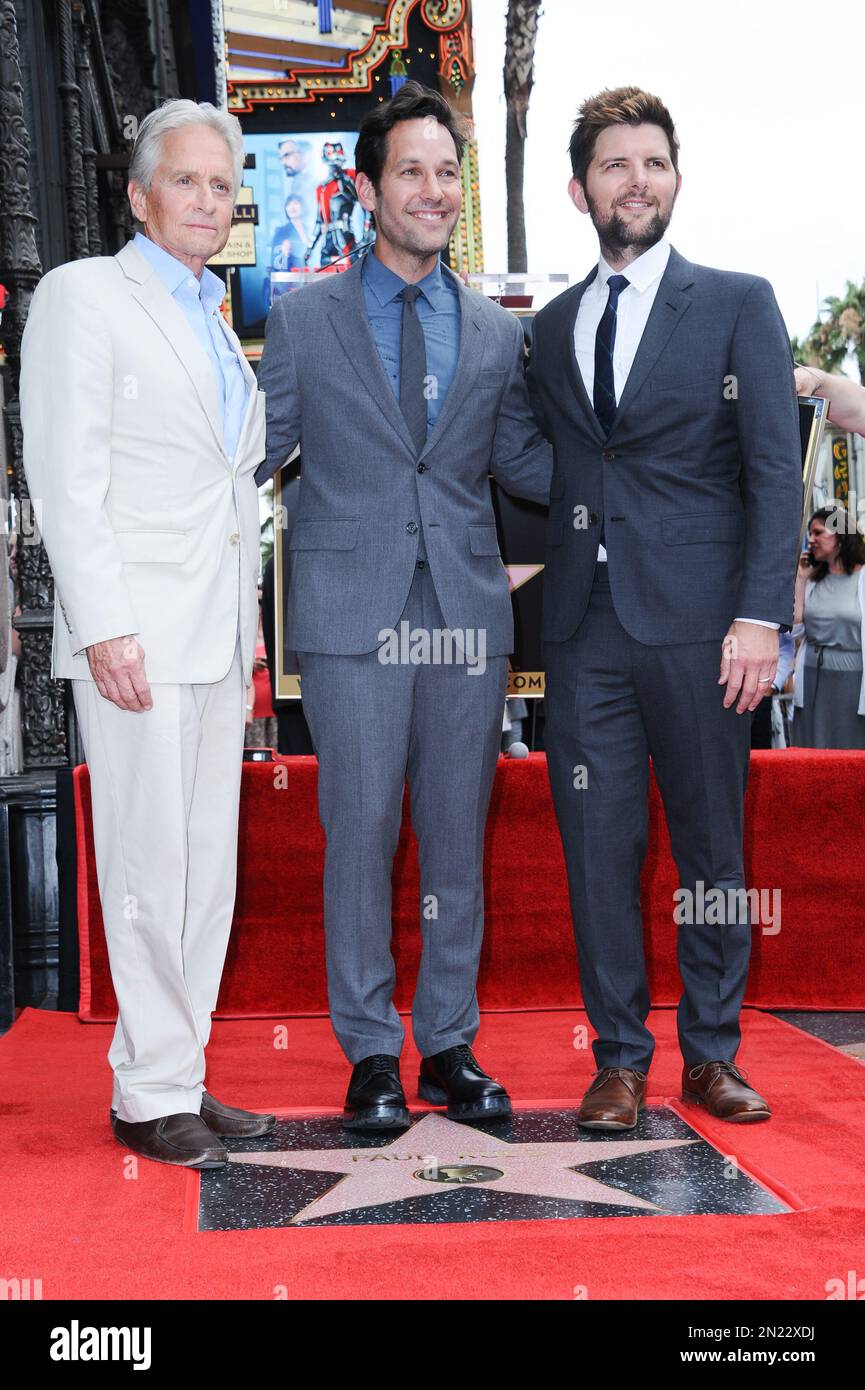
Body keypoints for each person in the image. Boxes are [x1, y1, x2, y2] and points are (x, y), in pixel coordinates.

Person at [256, 82, 552, 1131]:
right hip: (352, 613)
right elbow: (254, 453)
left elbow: (522, 463)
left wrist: (644, 458)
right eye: (412, 171)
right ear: (369, 188)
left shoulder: (496, 333)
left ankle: (449, 1044)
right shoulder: (303, 320)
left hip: (465, 613)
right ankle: (371, 1051)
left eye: (447, 172)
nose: (433, 190)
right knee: (361, 830)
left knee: (455, 835)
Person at [527, 87, 802, 1129]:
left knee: (711, 849)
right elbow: (551, 463)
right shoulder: (551, 328)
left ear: (675, 179)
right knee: (596, 851)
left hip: (704, 628)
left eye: (652, 163)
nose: (634, 181)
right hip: (583, 627)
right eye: (614, 165)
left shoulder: (736, 302)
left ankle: (711, 1053)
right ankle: (617, 1060)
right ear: (580, 190)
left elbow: (771, 470)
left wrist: (759, 615)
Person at [20, 99, 275, 1168]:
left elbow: (232, 497)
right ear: (138, 195)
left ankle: (176, 1068)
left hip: (213, 635)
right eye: (185, 181)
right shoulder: (85, 295)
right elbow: (64, 475)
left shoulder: (213, 317)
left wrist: (251, 637)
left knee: (206, 871)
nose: (207, 201)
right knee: (146, 861)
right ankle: (146, 1091)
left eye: (221, 185)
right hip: (134, 635)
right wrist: (105, 626)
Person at [791, 507, 865, 748]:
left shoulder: (862, 578)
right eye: (810, 533)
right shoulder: (812, 579)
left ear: (840, 536)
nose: (811, 539)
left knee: (851, 745)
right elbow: (794, 630)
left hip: (853, 679)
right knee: (814, 744)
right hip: (813, 676)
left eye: (818, 532)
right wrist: (800, 579)